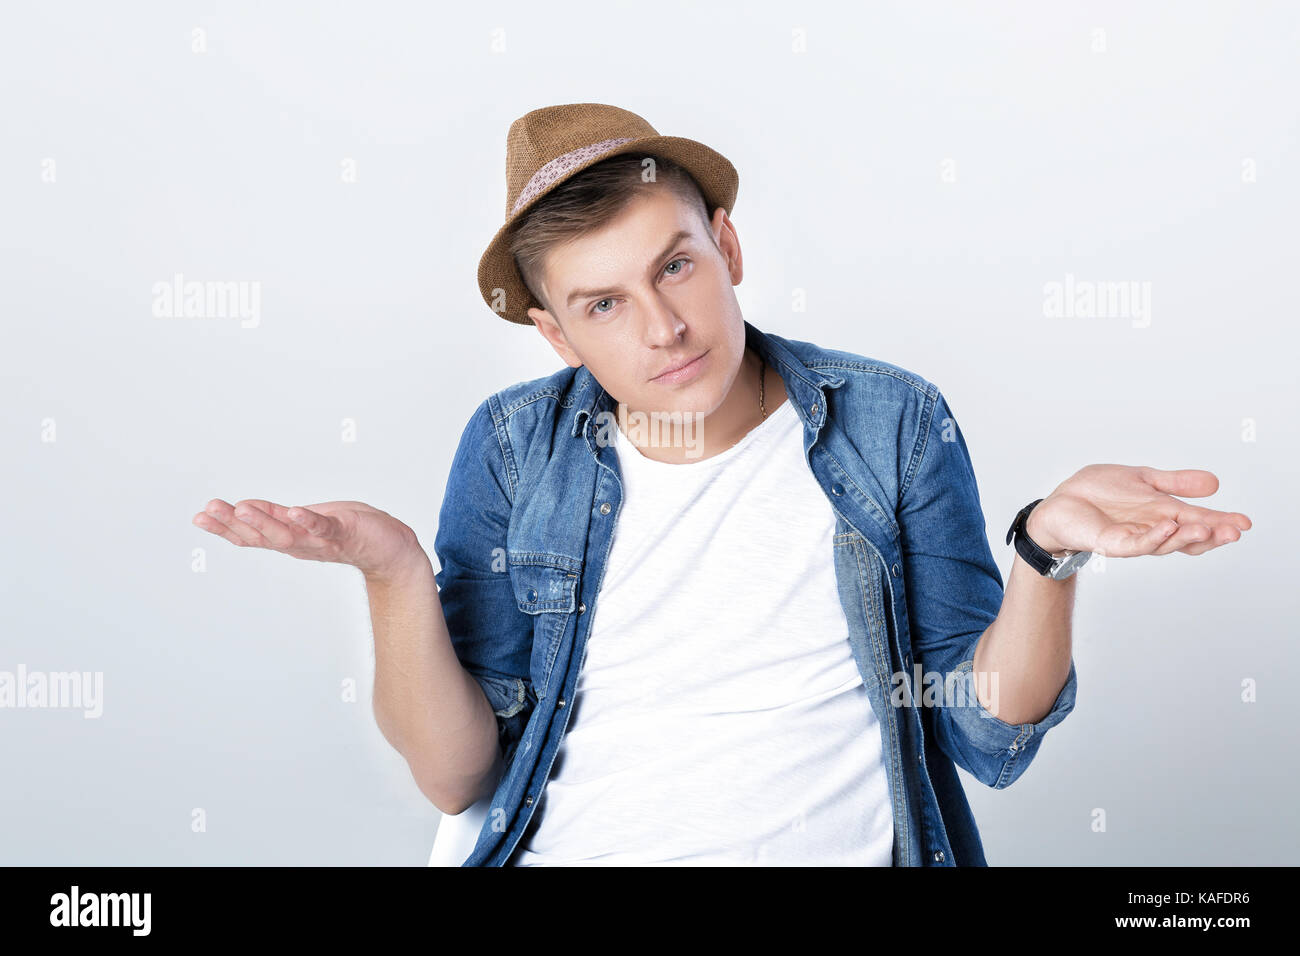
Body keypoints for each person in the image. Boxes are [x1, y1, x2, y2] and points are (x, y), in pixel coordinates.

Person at [192, 103, 1253, 866]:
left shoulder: (890, 420)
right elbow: (459, 776)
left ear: (727, 245)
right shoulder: (515, 449)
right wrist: (391, 573)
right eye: (602, 305)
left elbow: (985, 735)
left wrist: (1043, 551)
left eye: (674, 264)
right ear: (554, 333)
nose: (663, 327)